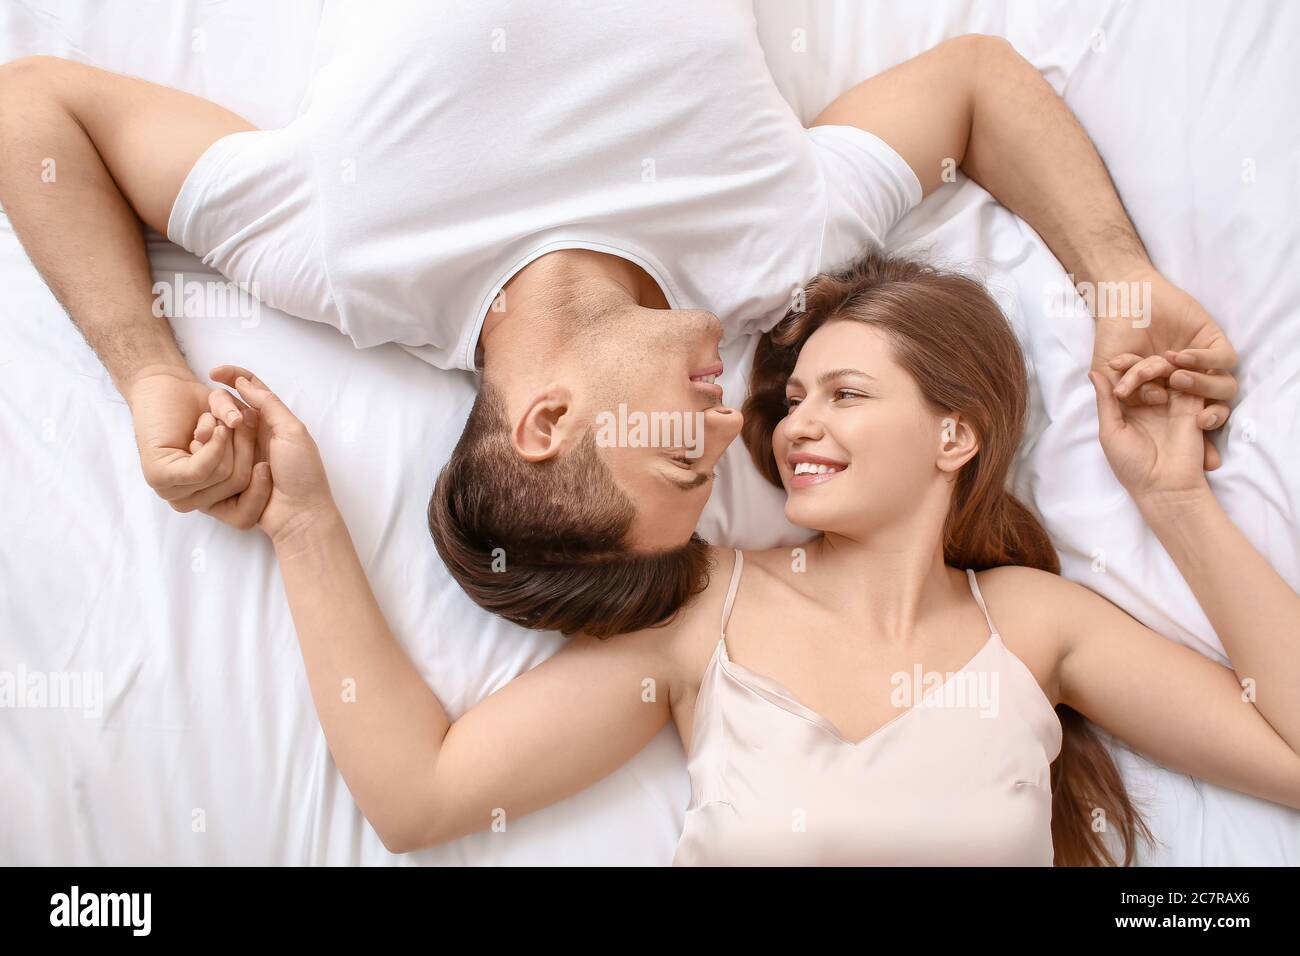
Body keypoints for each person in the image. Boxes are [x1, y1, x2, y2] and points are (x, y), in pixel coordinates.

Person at [0, 3, 1237, 636]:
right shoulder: (768, 254)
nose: (730, 423)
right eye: (713, 467)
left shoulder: (333, 256)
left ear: (543, 419)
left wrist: (145, 372)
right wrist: (1116, 286)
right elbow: (974, 83)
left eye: (679, 453)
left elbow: (35, 106)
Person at [187, 251, 1298, 865]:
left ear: (955, 435)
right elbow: (421, 796)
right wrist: (304, 520)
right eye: (796, 398)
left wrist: (1175, 499)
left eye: (847, 395)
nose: (793, 426)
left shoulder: (1036, 622)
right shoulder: (703, 609)